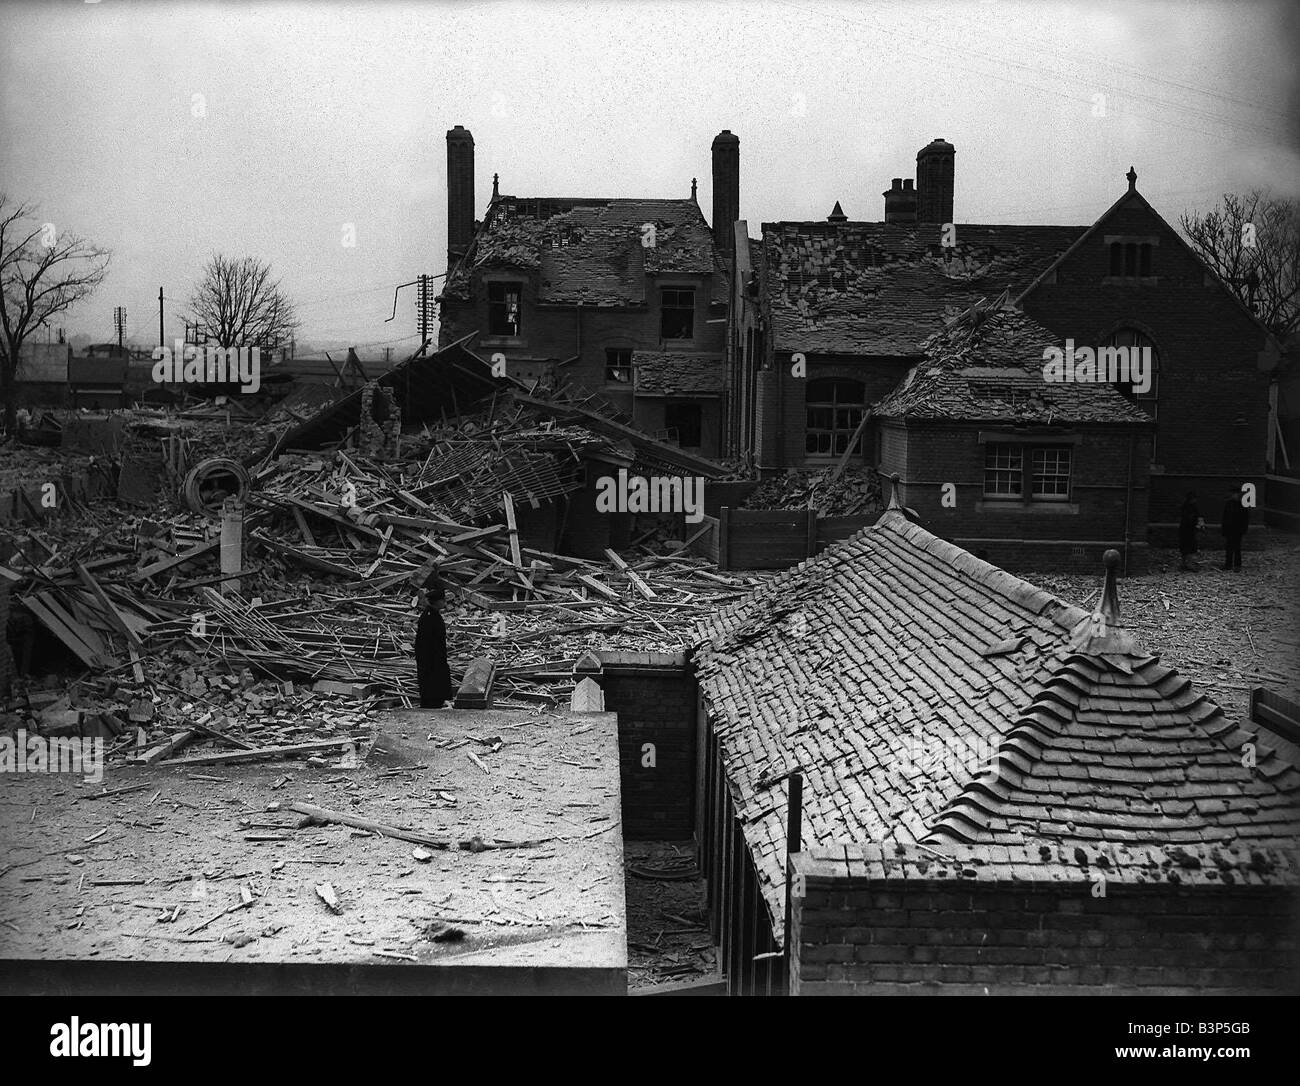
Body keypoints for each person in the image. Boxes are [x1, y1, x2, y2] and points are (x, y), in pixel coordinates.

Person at [414, 569, 453, 708]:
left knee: (435, 678)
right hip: (430, 656)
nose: (444, 603)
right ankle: (432, 702)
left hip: (434, 655)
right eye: (442, 600)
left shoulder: (432, 614)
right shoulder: (430, 616)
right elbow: (427, 640)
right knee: (431, 678)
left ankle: (436, 700)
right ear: (436, 602)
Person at [1221, 485, 1249, 571]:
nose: (1234, 495)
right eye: (1233, 494)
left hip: (1237, 529)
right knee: (1229, 547)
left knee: (1237, 547)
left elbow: (1245, 518)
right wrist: (1224, 529)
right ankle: (1228, 564)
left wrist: (1243, 529)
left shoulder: (1242, 505)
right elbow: (1225, 517)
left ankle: (1237, 565)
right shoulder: (1229, 504)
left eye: (1235, 494)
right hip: (1230, 529)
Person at [1178, 490, 1202, 570]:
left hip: (1185, 530)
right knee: (1190, 547)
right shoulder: (1192, 508)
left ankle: (1185, 563)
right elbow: (1193, 519)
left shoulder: (1185, 507)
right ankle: (1189, 564)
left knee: (1185, 548)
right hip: (1190, 530)